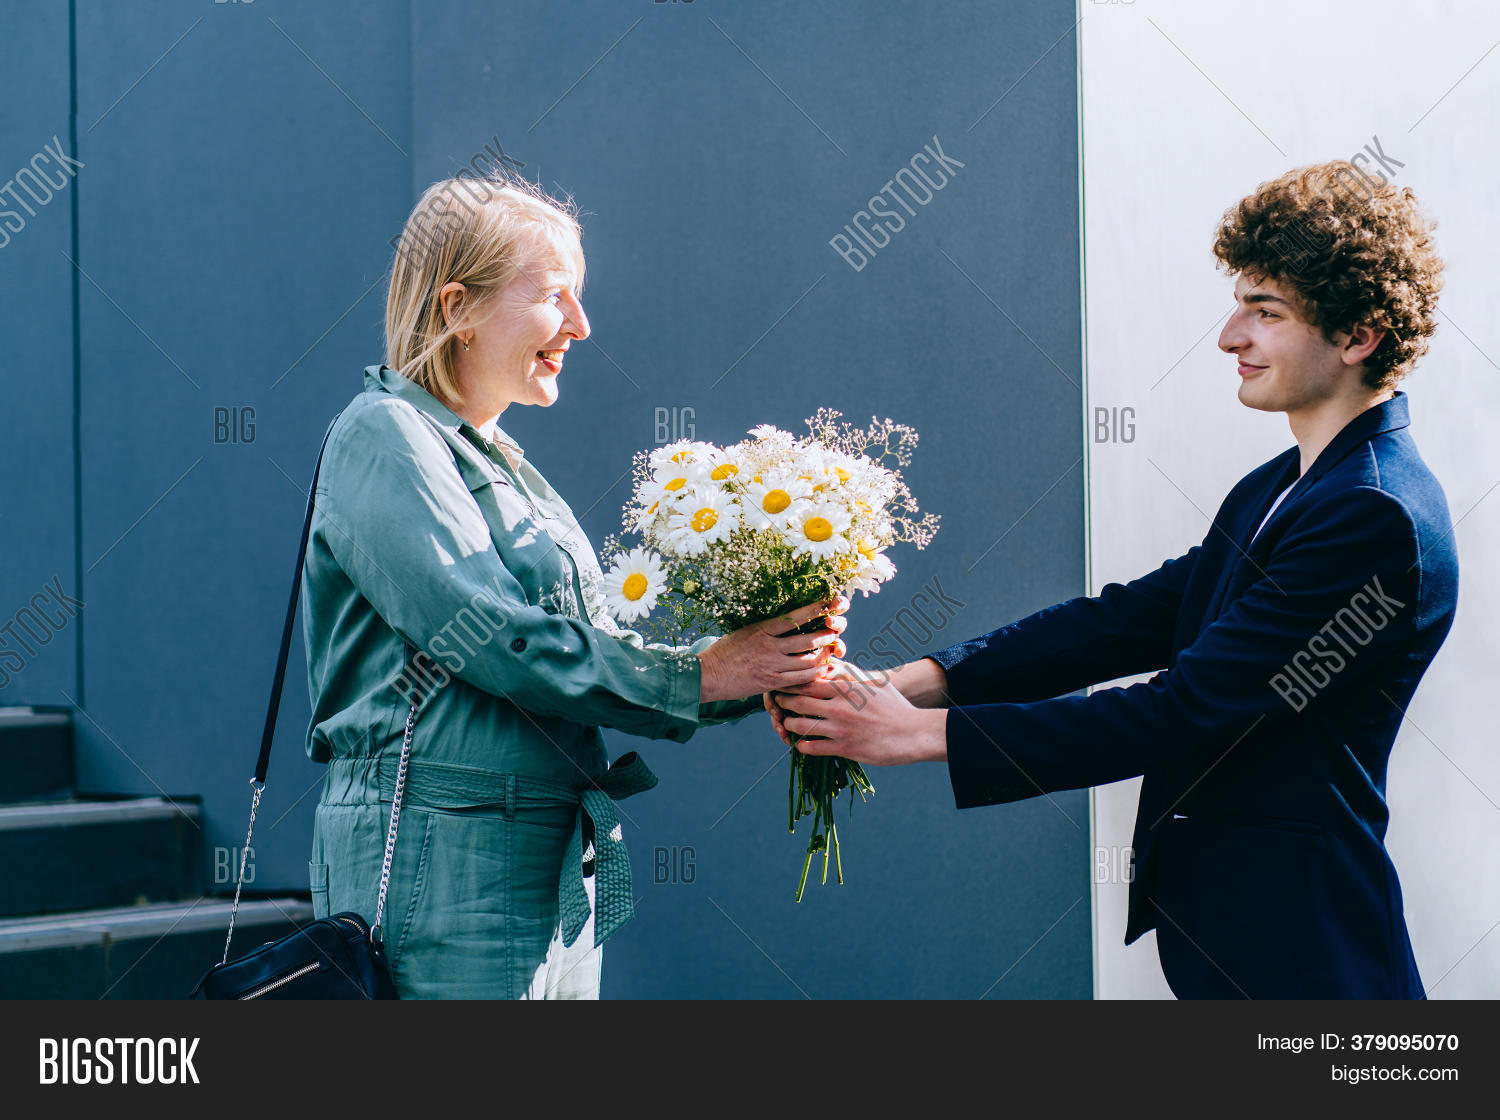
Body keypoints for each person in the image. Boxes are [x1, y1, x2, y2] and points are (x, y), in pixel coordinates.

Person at [769, 158, 1456, 999]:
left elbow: (1187, 709)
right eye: (1238, 303)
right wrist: (913, 686)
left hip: (1310, 958)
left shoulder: (1375, 517)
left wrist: (912, 738)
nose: (1229, 336)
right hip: (1238, 944)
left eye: (1264, 311)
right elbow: (1129, 621)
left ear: (1357, 336)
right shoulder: (1288, 485)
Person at [303, 173, 848, 999]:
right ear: (457, 308)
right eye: (557, 296)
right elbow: (495, 637)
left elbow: (586, 650)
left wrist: (762, 665)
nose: (582, 327)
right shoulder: (384, 435)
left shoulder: (502, 463)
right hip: (443, 858)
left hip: (540, 861)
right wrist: (701, 677)